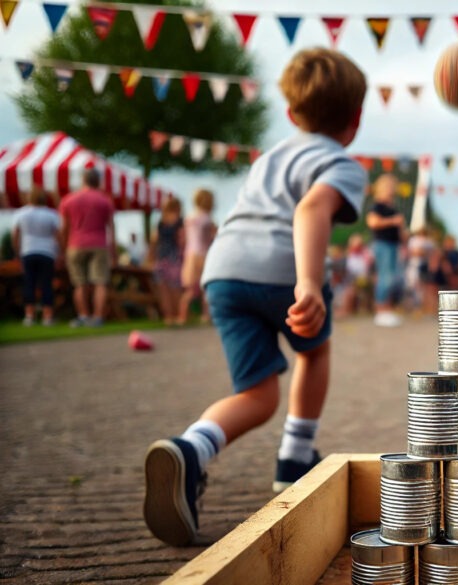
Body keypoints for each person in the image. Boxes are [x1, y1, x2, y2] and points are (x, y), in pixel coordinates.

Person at [143, 47, 368, 547]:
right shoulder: (342, 163)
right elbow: (311, 210)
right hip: (282, 269)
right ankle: (294, 458)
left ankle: (191, 450)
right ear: (355, 119)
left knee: (257, 394)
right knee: (314, 351)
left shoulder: (269, 159)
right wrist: (308, 283)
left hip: (223, 270)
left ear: (290, 113)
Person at [59, 168, 115, 327]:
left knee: (79, 284)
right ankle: (98, 318)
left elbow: (64, 228)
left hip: (75, 244)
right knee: (100, 282)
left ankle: (83, 316)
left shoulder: (68, 200)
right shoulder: (105, 200)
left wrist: (63, 248)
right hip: (99, 244)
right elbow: (111, 228)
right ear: (98, 181)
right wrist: (113, 250)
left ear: (83, 180)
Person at [12, 187, 61, 326]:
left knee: (29, 283)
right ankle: (47, 316)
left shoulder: (21, 213)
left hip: (28, 251)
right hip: (47, 252)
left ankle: (29, 315)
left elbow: (15, 235)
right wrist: (60, 253)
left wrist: (17, 252)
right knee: (46, 284)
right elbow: (58, 235)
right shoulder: (51, 214)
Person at [366, 174, 405, 327]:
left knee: (391, 277)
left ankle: (387, 310)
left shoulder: (393, 207)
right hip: (383, 244)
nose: (392, 189)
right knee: (385, 277)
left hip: (393, 245)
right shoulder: (377, 206)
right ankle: (381, 310)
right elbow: (373, 222)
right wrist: (393, 221)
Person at [177, 188, 217, 325]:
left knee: (190, 289)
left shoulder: (189, 218)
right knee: (206, 288)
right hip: (203, 254)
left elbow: (183, 239)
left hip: (190, 255)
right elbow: (212, 237)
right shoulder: (207, 218)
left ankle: (183, 316)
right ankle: (206, 316)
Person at [150, 196, 185, 326]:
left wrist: (151, 257)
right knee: (176, 288)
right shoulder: (180, 222)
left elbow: (154, 241)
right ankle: (178, 315)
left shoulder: (161, 223)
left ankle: (168, 316)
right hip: (174, 257)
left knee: (163, 289)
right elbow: (182, 241)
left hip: (161, 257)